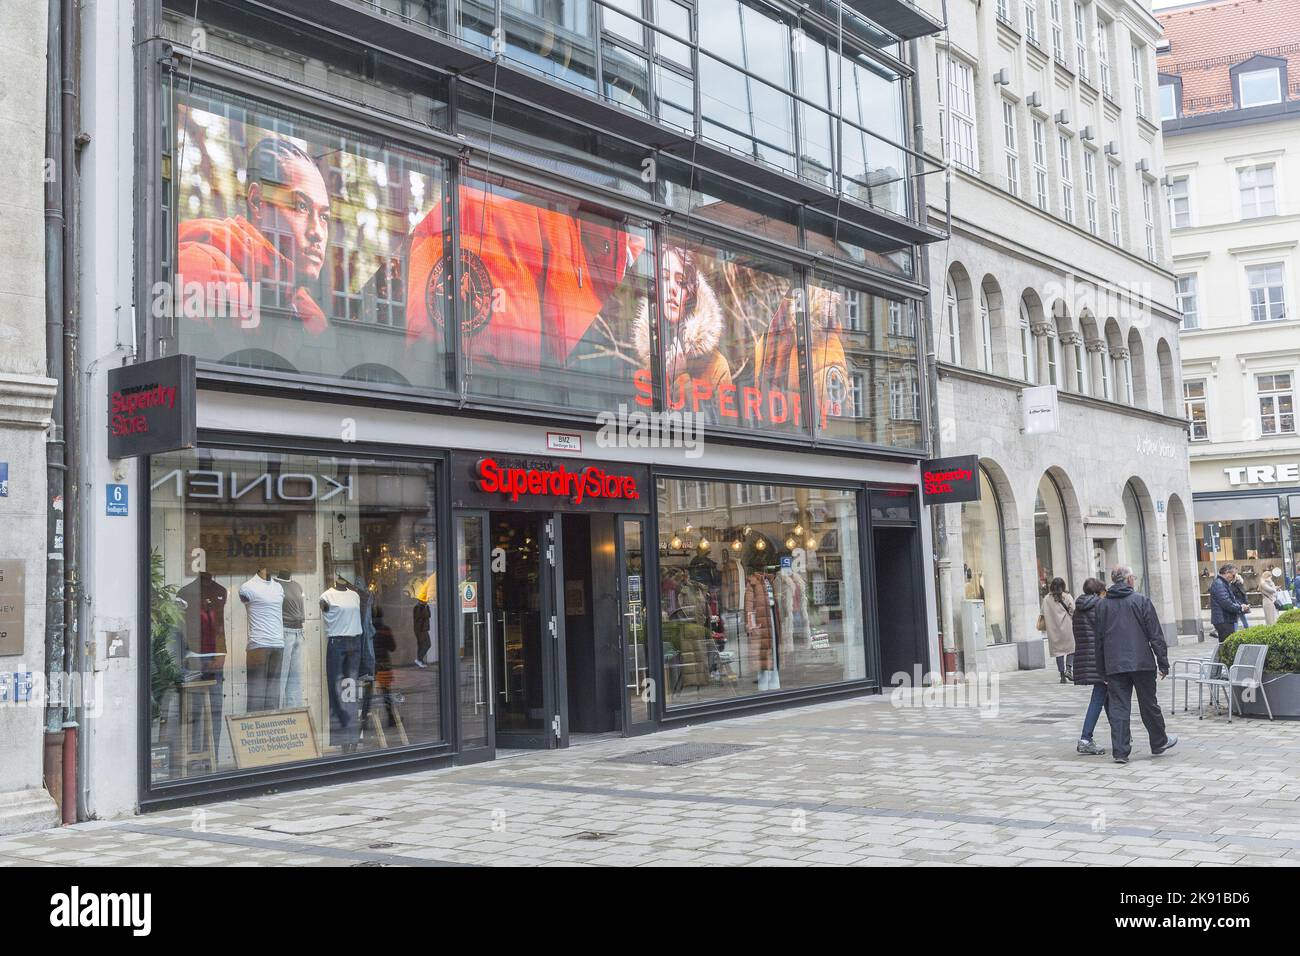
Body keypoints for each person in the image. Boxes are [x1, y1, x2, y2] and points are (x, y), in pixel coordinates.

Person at [177, 137, 331, 332]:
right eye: (301, 206)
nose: (316, 232)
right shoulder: (200, 267)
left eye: (324, 216)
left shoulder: (310, 317)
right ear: (257, 201)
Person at [1094, 565, 1176, 765]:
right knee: (1148, 704)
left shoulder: (1102, 606)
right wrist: (1163, 663)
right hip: (1142, 663)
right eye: (1133, 577)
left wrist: (1101, 669)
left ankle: (1120, 752)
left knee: (1119, 708)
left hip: (1115, 665)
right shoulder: (1141, 601)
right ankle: (1158, 742)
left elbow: (1098, 640)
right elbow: (1155, 634)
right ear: (1129, 580)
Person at [1071, 578, 1109, 756]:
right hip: (1099, 659)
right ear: (1098, 592)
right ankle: (1085, 738)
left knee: (1107, 697)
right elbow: (1105, 634)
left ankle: (1121, 734)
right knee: (1099, 696)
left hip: (1086, 658)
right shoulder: (1098, 607)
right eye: (1104, 591)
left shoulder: (1079, 609)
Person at [1042, 577, 1075, 684]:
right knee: (1071, 649)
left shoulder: (1046, 599)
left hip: (1053, 629)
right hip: (1067, 627)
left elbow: (1043, 613)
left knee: (1058, 652)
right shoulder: (1067, 596)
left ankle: (1062, 675)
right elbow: (1073, 610)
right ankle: (1069, 669)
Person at [1209, 564, 1250, 642]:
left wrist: (1240, 605)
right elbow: (1226, 603)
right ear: (1227, 573)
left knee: (1225, 644)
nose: (1234, 577)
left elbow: (1230, 600)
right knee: (1226, 644)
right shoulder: (1219, 584)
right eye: (1233, 575)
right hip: (1224, 619)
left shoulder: (1222, 583)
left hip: (1225, 618)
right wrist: (1240, 607)